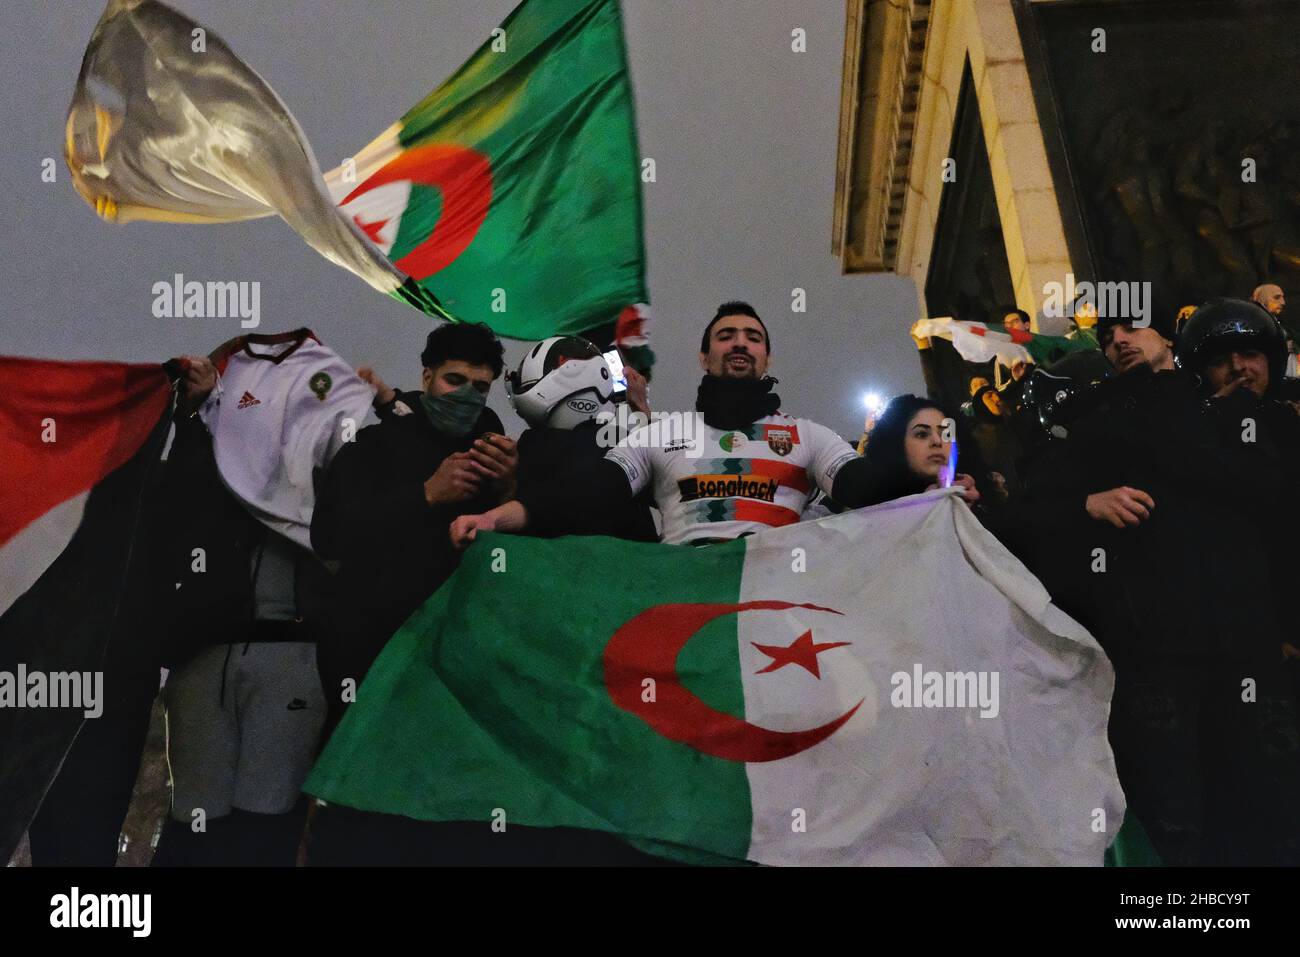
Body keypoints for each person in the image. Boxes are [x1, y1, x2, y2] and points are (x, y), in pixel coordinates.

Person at [1000, 299, 1300, 865]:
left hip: (1250, 644)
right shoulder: (1099, 419)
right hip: (1156, 653)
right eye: (1107, 335)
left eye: (1132, 325)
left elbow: (1279, 517)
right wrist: (1085, 503)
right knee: (1177, 817)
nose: (1118, 340)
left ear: (1171, 335)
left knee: (1275, 801)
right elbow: (1024, 517)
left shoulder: (1252, 413)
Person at [451, 301, 891, 548]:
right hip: (681, 601)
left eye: (753, 337)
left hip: (777, 606)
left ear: (766, 358)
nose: (740, 342)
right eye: (726, 335)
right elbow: (582, 496)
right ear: (704, 357)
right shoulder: (659, 434)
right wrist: (496, 519)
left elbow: (868, 490)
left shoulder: (809, 436)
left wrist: (939, 483)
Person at [149, 349, 335, 866]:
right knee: (193, 816)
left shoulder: (334, 467)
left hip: (292, 659)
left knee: (266, 822)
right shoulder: (205, 461)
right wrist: (194, 411)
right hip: (203, 655)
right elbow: (175, 497)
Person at [310, 322, 515, 729]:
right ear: (427, 377)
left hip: (461, 658)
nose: (465, 395)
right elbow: (329, 535)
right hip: (373, 653)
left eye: (479, 386)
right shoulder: (372, 446)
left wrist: (511, 489)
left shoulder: (493, 456)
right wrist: (425, 495)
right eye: (454, 380)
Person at [853, 395, 987, 508]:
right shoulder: (873, 514)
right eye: (922, 434)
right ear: (897, 444)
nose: (937, 441)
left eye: (945, 434)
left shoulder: (978, 499)